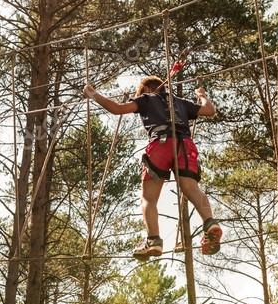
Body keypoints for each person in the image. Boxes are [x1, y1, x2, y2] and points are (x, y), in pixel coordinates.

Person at [83, 75, 222, 258]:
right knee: (191, 188)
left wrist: (94, 95)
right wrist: (202, 94)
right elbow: (209, 110)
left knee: (148, 198)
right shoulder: (180, 102)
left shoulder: (146, 99)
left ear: (147, 90)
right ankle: (210, 222)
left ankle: (154, 241)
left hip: (160, 144)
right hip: (185, 145)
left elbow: (117, 109)